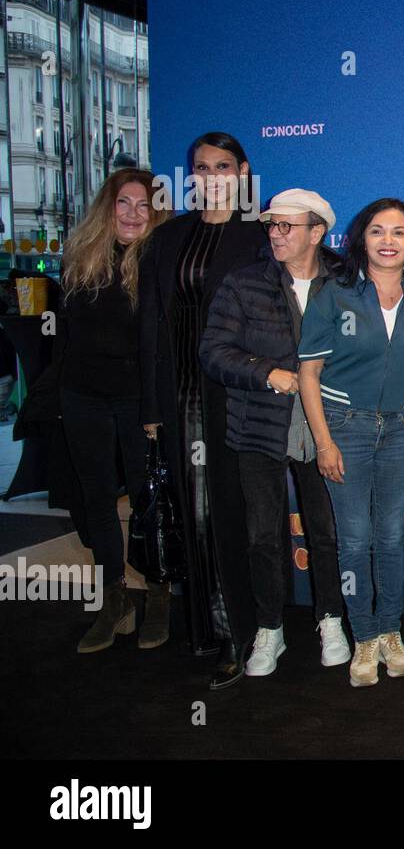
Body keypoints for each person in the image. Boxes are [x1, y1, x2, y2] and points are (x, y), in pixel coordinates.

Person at [199, 188, 349, 677]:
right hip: (260, 426)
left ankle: (330, 619)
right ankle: (269, 629)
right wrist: (267, 372)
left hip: (326, 426)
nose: (276, 234)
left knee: (325, 533)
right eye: (272, 225)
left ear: (317, 232)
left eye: (288, 226)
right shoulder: (244, 283)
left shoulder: (347, 281)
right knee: (263, 535)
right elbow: (213, 352)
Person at [139, 131, 266, 689]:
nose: (210, 175)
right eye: (200, 166)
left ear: (241, 172)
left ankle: (237, 632)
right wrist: (151, 404)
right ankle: (202, 630)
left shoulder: (261, 234)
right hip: (178, 391)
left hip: (233, 396)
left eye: (221, 165)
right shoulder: (169, 238)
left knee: (225, 514)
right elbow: (150, 326)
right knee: (190, 512)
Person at [298, 199, 404, 688]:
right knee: (354, 539)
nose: (388, 241)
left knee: (391, 537)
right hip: (344, 427)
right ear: (361, 238)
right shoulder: (334, 293)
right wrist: (324, 443)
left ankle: (391, 632)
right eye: (377, 231)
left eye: (399, 232)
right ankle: (363, 637)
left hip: (401, 429)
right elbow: (309, 375)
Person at [60, 169, 172, 652]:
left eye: (142, 205)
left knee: (151, 503)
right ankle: (115, 600)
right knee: (97, 500)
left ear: (156, 212)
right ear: (108, 208)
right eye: (122, 203)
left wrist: (155, 406)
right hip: (81, 396)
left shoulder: (160, 262)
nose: (131, 213)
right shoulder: (80, 258)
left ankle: (161, 596)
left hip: (138, 401)